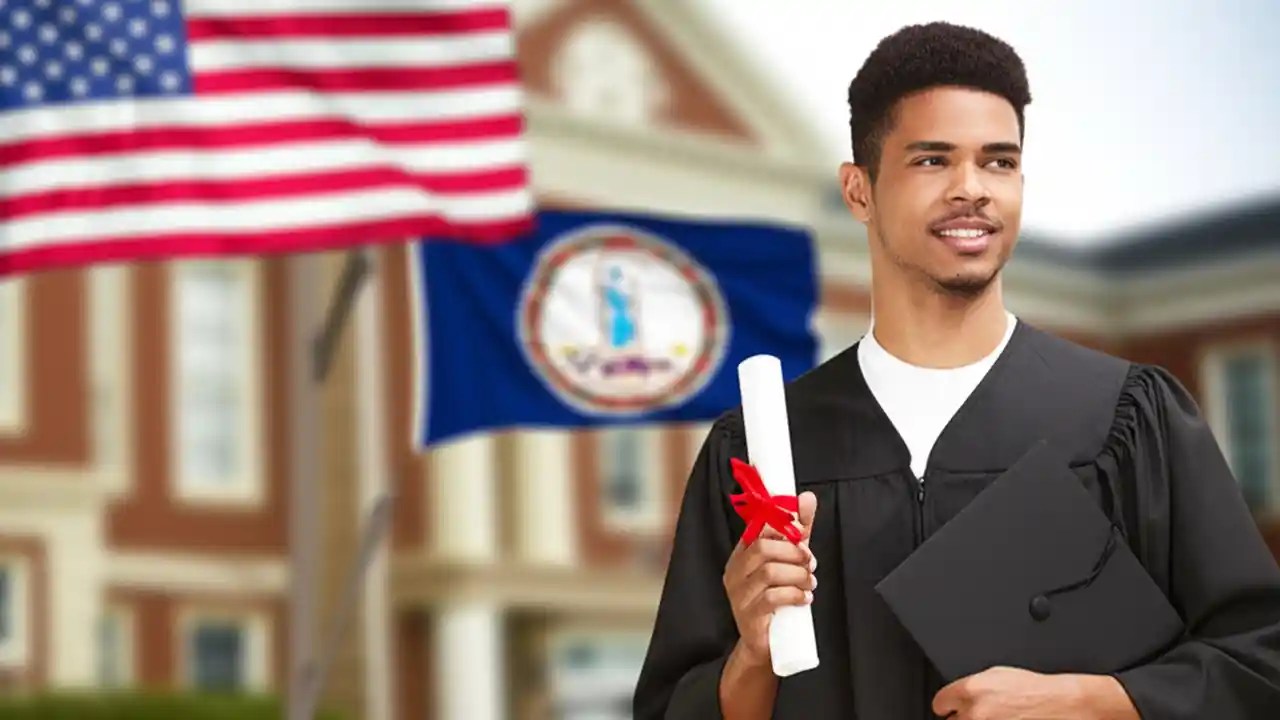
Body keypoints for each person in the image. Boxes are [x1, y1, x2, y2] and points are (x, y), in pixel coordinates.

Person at [632, 21, 1280, 720]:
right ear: (859, 191)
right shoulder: (762, 453)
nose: (972, 189)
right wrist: (751, 661)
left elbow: (1260, 664)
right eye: (932, 160)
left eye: (999, 162)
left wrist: (1096, 702)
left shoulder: (1124, 419)